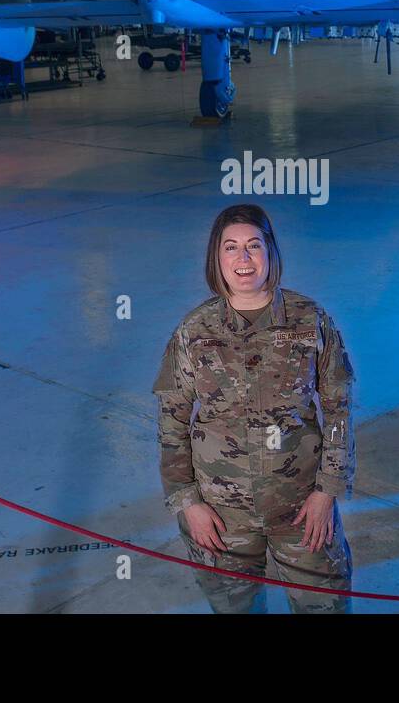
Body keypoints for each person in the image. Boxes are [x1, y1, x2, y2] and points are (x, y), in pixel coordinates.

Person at [153, 203, 356, 613]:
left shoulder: (309, 320)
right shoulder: (194, 331)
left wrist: (326, 492)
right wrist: (187, 501)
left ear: (271, 252)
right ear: (217, 258)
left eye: (253, 245)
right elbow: (171, 422)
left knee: (325, 606)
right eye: (231, 247)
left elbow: (339, 411)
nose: (243, 259)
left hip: (301, 509)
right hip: (221, 516)